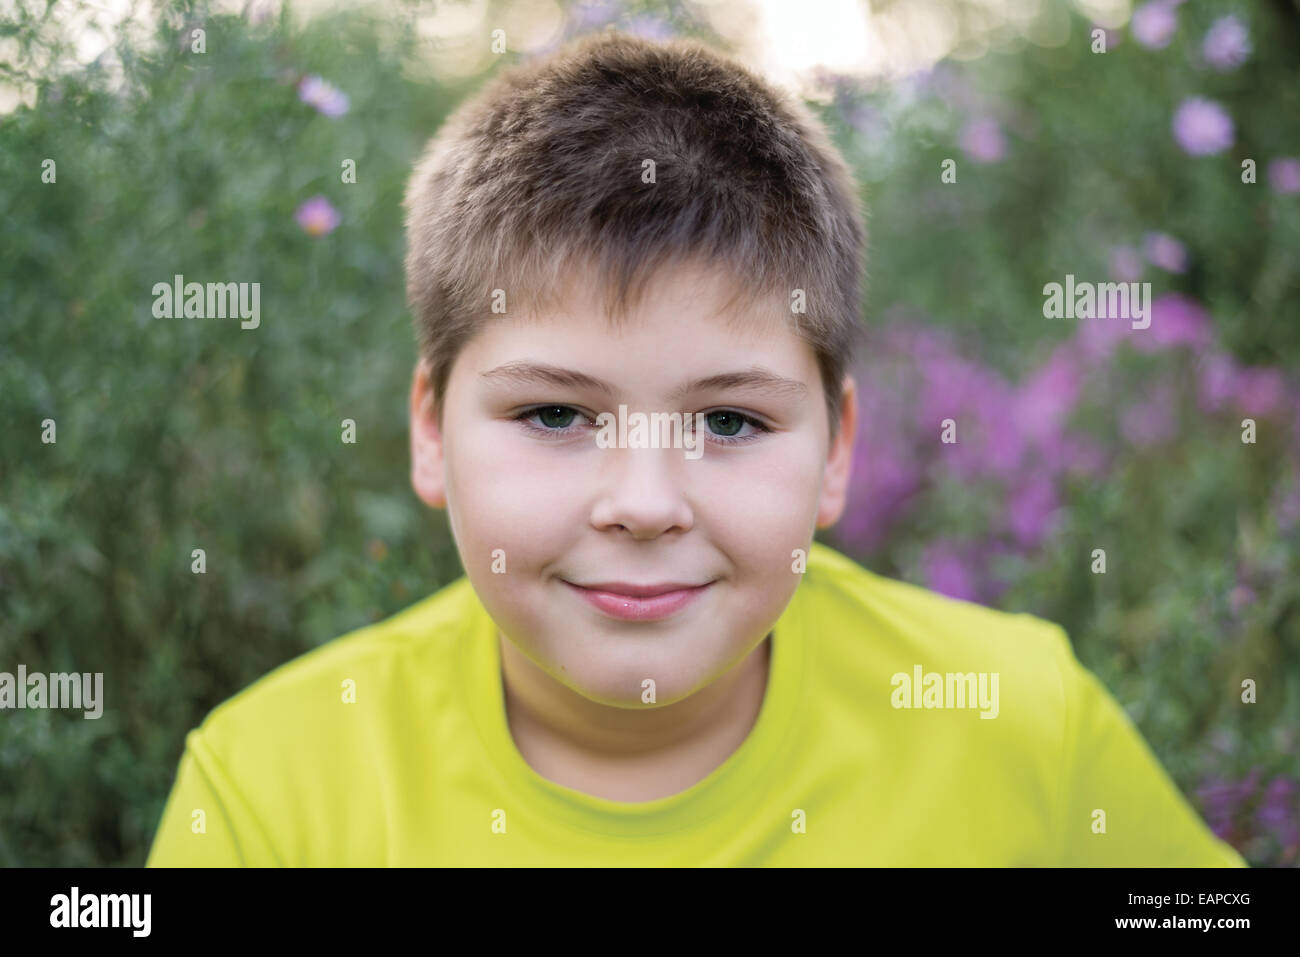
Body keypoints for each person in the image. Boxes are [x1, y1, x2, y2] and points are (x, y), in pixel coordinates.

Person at [146, 31, 1244, 867]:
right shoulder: (271, 796)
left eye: (729, 422)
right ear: (429, 433)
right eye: (554, 416)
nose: (643, 503)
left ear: (835, 452)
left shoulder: (1022, 724)